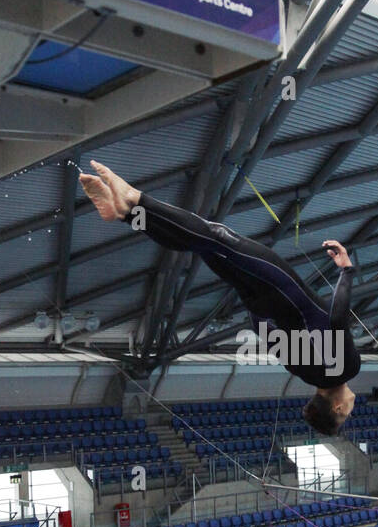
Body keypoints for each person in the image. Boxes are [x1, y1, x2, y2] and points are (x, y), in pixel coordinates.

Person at [79, 160, 359, 437]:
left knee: (212, 236)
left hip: (278, 286)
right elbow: (266, 331)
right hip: (260, 298)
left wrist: (346, 271)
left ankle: (135, 200)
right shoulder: (308, 374)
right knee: (202, 244)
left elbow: (336, 319)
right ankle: (125, 214)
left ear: (336, 408)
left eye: (345, 415)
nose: (350, 409)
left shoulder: (346, 368)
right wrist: (252, 298)